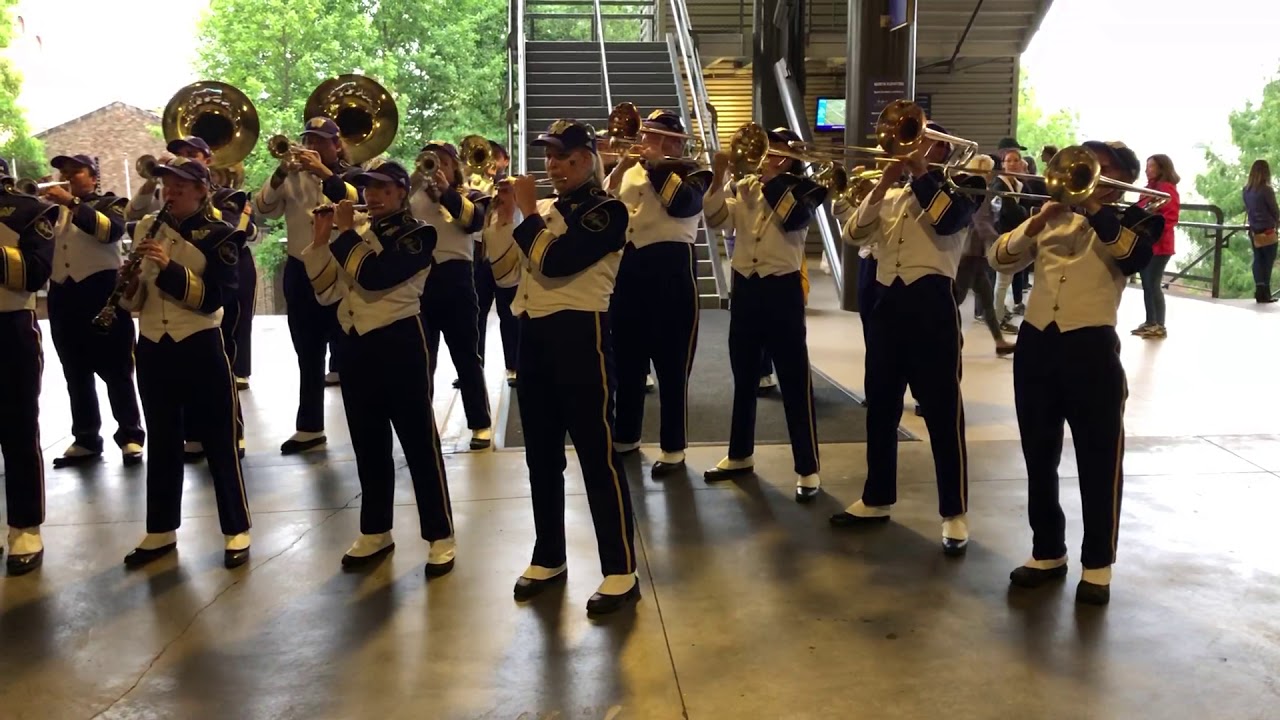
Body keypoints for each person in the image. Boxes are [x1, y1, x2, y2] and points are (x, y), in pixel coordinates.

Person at [992, 141, 1161, 605]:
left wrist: (1093, 208)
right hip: (1036, 345)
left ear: (1122, 179)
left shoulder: (1137, 218)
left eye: (1104, 169)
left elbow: (1132, 257)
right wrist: (1037, 222)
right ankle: (1047, 550)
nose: (1092, 174)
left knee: (1099, 459)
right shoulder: (1052, 216)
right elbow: (999, 258)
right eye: (1089, 167)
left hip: (1091, 348)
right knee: (1038, 453)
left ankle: (1098, 563)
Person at [485, 118, 639, 616]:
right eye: (549, 156)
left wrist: (528, 212)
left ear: (588, 160)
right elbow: (504, 273)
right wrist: (503, 219)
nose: (553, 166)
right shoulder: (547, 209)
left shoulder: (608, 210)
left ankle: (620, 568)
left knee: (596, 453)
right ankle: (549, 554)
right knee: (541, 455)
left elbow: (555, 262)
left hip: (582, 334)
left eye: (564, 158)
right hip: (534, 334)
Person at [829, 123, 981, 556]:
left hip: (932, 308)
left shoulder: (965, 186)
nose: (913, 147)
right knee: (880, 407)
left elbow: (948, 221)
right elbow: (853, 234)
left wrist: (920, 172)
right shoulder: (893, 194)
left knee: (943, 413)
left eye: (924, 141)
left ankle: (954, 511)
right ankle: (877, 496)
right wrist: (882, 186)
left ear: (944, 148)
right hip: (886, 306)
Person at [305, 162, 458, 575]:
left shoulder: (418, 234)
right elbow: (326, 293)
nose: (371, 196)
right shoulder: (358, 233)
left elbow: (374, 277)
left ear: (401, 192)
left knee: (419, 443)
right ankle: (376, 529)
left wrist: (345, 234)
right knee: (368, 442)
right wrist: (320, 240)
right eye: (368, 189)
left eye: (382, 189)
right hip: (355, 343)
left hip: (400, 342)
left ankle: (440, 534)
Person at [119, 157, 253, 569]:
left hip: (199, 343)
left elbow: (215, 298)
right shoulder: (146, 227)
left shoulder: (222, 235)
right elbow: (137, 298)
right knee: (162, 439)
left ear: (201, 189)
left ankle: (236, 528)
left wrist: (168, 267)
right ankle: (161, 528)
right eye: (166, 184)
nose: (171, 191)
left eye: (180, 184)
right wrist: (128, 284)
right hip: (152, 345)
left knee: (219, 441)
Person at [701, 127, 824, 502]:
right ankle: (740, 454)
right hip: (745, 288)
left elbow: (793, 218)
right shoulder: (744, 186)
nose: (766, 155)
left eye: (775, 149)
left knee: (794, 381)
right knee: (744, 377)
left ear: (789, 156)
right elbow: (717, 220)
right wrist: (718, 177)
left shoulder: (807, 189)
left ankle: (807, 467)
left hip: (782, 290)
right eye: (764, 149)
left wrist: (768, 178)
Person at [605, 110, 706, 477]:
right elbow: (605, 202)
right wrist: (619, 167)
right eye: (647, 133)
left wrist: (657, 165)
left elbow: (681, 204)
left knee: (672, 364)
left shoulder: (694, 171)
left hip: (671, 270)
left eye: (657, 135)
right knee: (628, 359)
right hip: (628, 270)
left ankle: (673, 446)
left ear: (675, 142)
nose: (646, 140)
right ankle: (626, 434)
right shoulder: (629, 169)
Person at [254, 117, 361, 455]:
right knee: (307, 351)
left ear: (336, 145)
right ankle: (310, 427)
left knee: (350, 352)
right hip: (300, 270)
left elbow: (353, 200)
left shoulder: (352, 174)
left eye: (320, 141)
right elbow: (263, 209)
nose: (312, 147)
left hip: (341, 271)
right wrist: (280, 173)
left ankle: (364, 424)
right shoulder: (291, 177)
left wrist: (324, 173)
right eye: (308, 140)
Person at [128, 136, 259, 393]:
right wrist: (152, 180)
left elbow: (230, 228)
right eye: (179, 153)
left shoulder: (225, 196)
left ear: (207, 160)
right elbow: (131, 213)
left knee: (233, 328)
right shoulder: (158, 202)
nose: (183, 157)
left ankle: (238, 370)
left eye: (190, 153)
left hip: (221, 276)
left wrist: (194, 197)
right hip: (156, 331)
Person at [43, 154, 146, 468]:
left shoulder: (111, 203)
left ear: (93, 177)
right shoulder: (51, 211)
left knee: (117, 369)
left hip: (102, 293)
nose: (67, 176)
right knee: (75, 372)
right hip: (63, 295)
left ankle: (130, 434)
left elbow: (109, 232)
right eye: (63, 172)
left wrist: (72, 202)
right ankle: (86, 437)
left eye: (76, 171)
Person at [409, 141, 493, 450]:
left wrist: (445, 192)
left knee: (466, 356)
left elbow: (473, 221)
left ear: (454, 167)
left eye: (443, 162)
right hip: (420, 282)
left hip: (456, 281)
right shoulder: (412, 195)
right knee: (422, 360)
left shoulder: (471, 194)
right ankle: (421, 425)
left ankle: (480, 423)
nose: (436, 167)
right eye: (430, 161)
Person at [0, 160, 59, 574]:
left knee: (18, 429)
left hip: (9, 326)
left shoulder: (28, 211)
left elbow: (36, 272)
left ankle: (24, 526)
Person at [954, 154, 1016, 355]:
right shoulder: (979, 192)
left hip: (976, 253)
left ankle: (999, 342)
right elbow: (980, 221)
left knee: (986, 299)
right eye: (989, 169)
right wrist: (999, 240)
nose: (992, 173)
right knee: (957, 299)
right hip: (970, 252)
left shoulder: (981, 191)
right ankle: (948, 336)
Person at [1133, 154, 1181, 338]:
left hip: (1160, 244)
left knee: (1153, 284)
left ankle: (1160, 324)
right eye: (1147, 166)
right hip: (1146, 243)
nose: (1147, 170)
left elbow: (1171, 217)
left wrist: (1152, 230)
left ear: (1162, 168)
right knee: (1146, 284)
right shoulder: (1148, 189)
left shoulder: (1167, 189)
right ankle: (1150, 321)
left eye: (1151, 166)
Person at [1242, 159, 1279, 303]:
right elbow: (1274, 210)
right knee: (1268, 262)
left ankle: (1259, 290)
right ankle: (1266, 293)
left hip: (1254, 231)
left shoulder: (1246, 190)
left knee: (1258, 259)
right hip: (1268, 231)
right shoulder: (1266, 190)